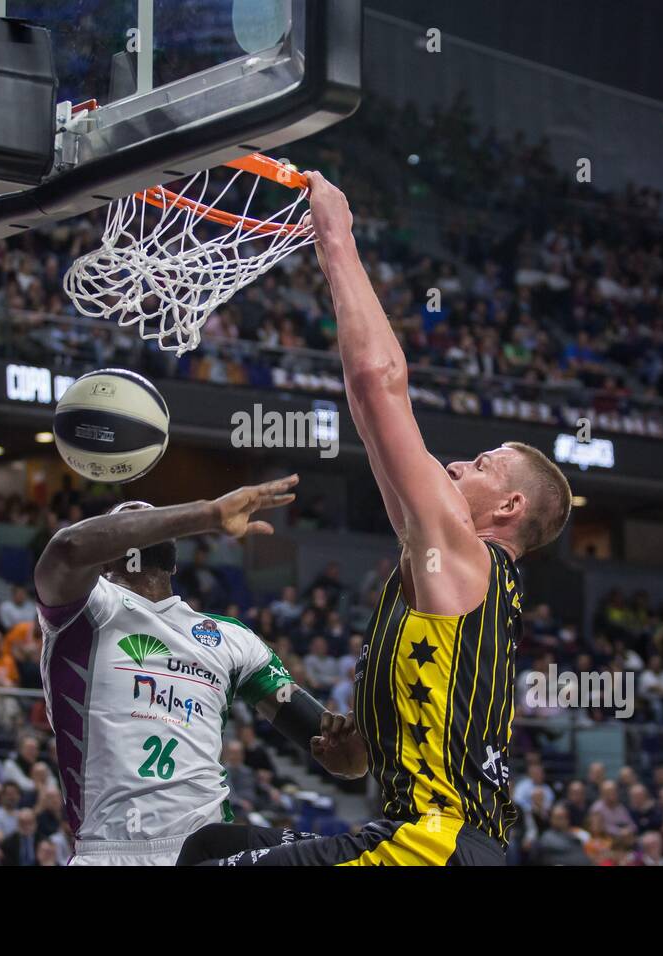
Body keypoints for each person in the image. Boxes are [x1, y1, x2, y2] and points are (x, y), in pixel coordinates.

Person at [180, 173, 572, 867]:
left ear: (509, 508)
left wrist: (335, 233)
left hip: (432, 846)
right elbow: (418, 736)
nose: (456, 467)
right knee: (218, 845)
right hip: (447, 843)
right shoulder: (445, 579)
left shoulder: (464, 553)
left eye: (481, 465)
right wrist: (360, 749)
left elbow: (374, 386)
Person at [33, 481, 363, 867]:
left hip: (211, 851)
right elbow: (68, 548)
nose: (143, 516)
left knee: (344, 852)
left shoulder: (233, 638)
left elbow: (341, 759)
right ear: (104, 560)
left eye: (153, 518)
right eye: (128, 521)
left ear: (175, 562)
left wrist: (352, 754)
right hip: (111, 852)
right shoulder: (83, 612)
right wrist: (208, 514)